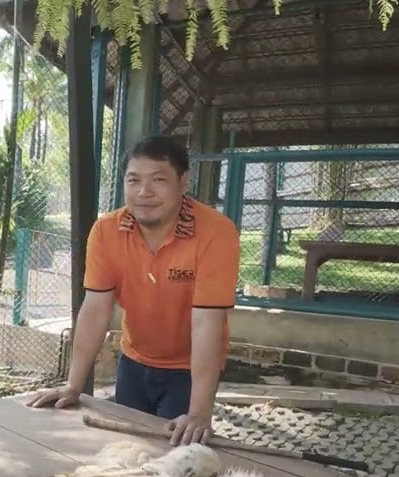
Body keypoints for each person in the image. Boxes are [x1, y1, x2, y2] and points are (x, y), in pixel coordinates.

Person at [27, 135, 240, 446]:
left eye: (158, 180)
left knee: (174, 455)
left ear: (183, 182)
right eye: (134, 180)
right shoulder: (106, 231)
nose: (144, 192)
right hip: (133, 362)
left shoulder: (216, 233)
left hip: (188, 370)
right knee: (125, 451)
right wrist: (74, 385)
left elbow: (207, 322)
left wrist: (199, 412)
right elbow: (96, 310)